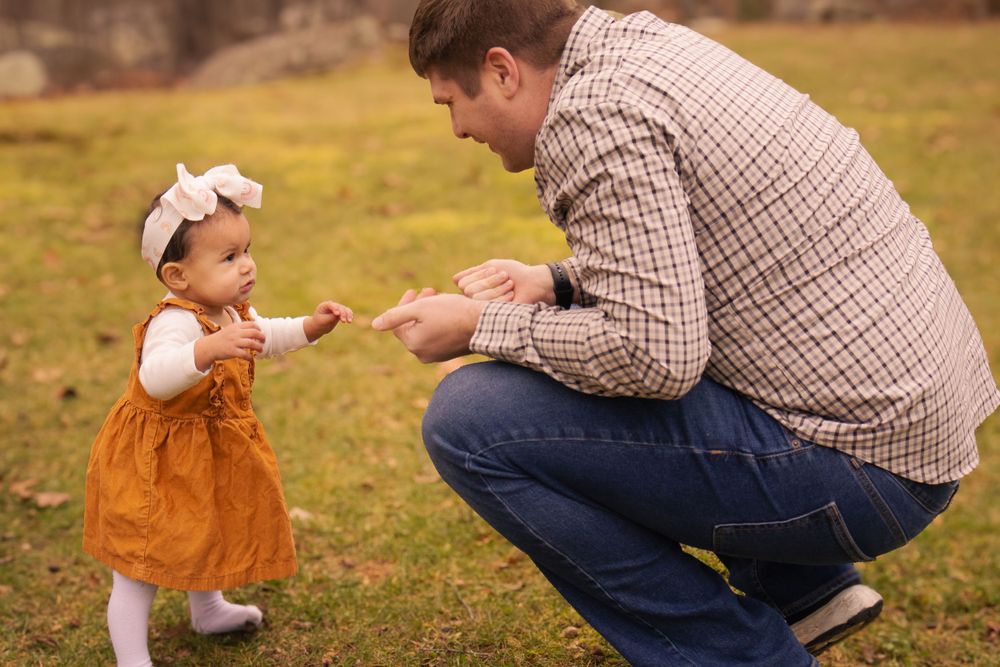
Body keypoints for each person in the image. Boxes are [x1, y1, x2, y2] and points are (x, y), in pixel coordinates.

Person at [372, 1, 1000, 665]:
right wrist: (556, 283)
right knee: (577, 352)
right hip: (913, 428)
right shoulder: (651, 49)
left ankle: (737, 654)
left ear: (501, 70)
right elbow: (703, 251)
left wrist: (482, 325)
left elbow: (654, 357)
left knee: (471, 422)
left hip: (863, 471)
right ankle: (802, 587)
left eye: (450, 102)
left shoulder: (591, 117)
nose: (458, 130)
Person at [82, 163, 353, 667]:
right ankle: (132, 658)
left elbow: (265, 336)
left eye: (246, 250)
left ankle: (207, 609)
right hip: (155, 462)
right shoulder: (174, 322)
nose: (246, 265)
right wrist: (207, 351)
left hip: (203, 453)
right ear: (177, 276)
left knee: (205, 531)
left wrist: (313, 327)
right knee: (140, 561)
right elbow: (155, 378)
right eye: (228, 257)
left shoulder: (229, 312)